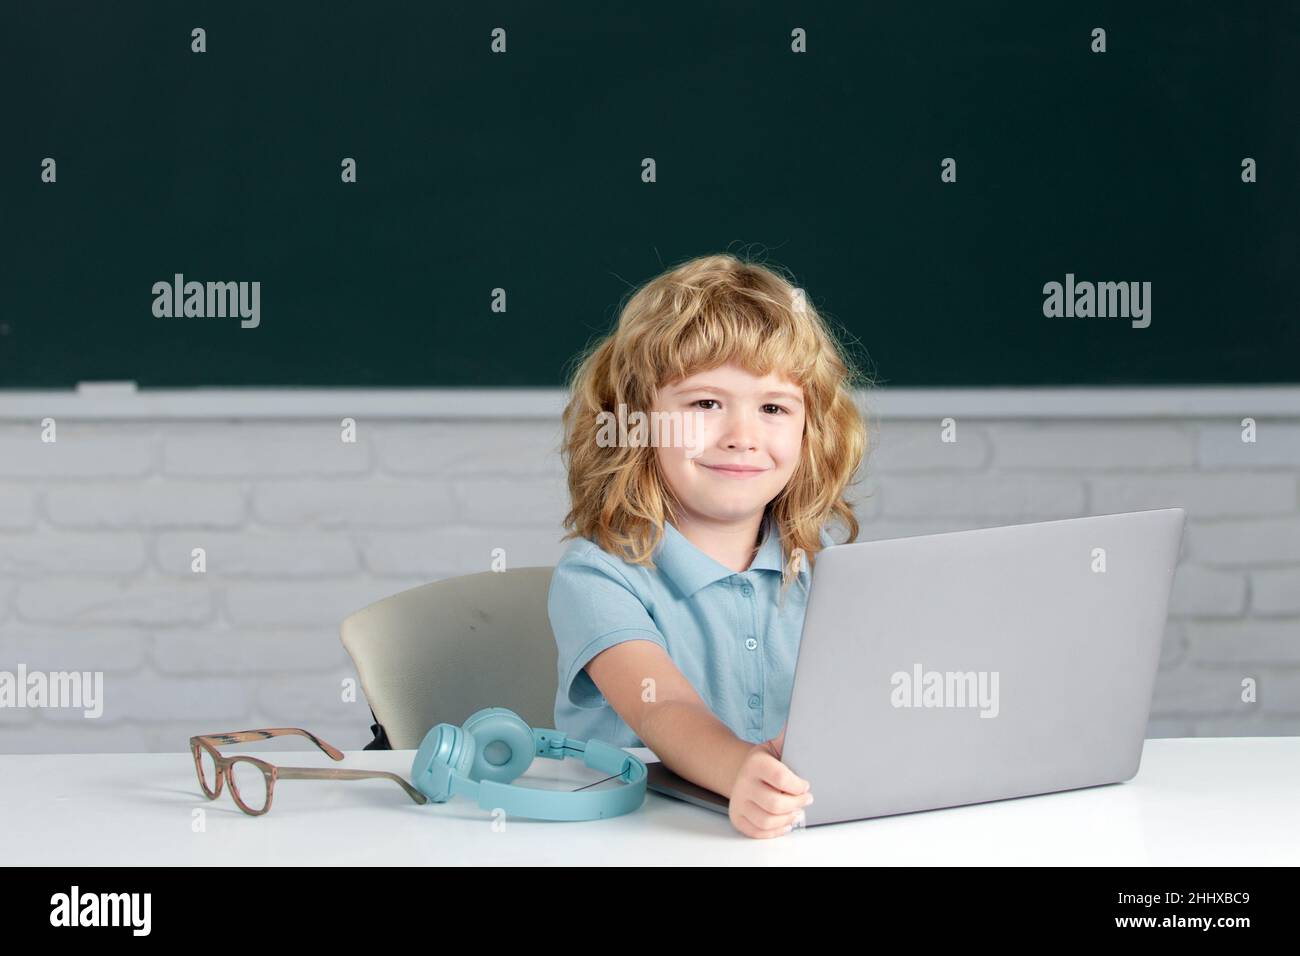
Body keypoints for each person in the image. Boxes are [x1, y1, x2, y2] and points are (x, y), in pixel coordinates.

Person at [550, 253, 870, 838]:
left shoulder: (823, 563)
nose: (743, 437)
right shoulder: (598, 576)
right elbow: (662, 708)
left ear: (809, 430)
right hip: (625, 842)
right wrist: (743, 768)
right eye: (705, 404)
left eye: (773, 408)